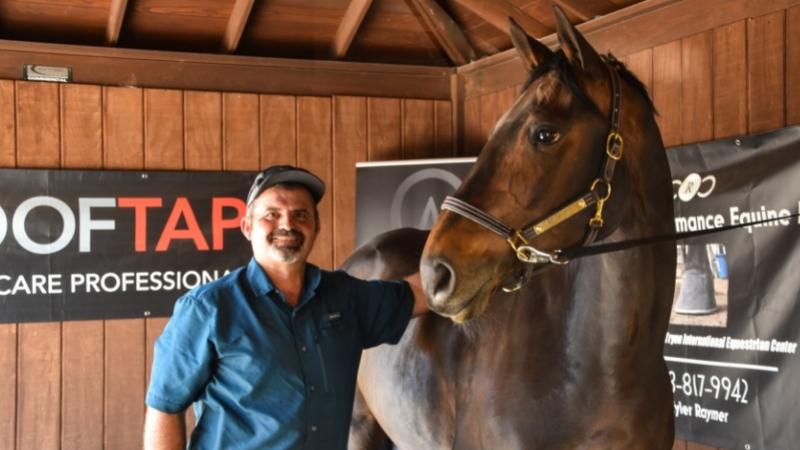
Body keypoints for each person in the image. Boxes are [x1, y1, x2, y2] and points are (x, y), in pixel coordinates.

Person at [143, 165, 428, 450]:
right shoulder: (208, 309)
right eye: (272, 215)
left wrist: (467, 252)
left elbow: (421, 293)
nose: (287, 225)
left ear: (316, 227)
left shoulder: (345, 297)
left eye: (300, 215)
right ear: (247, 227)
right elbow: (164, 408)